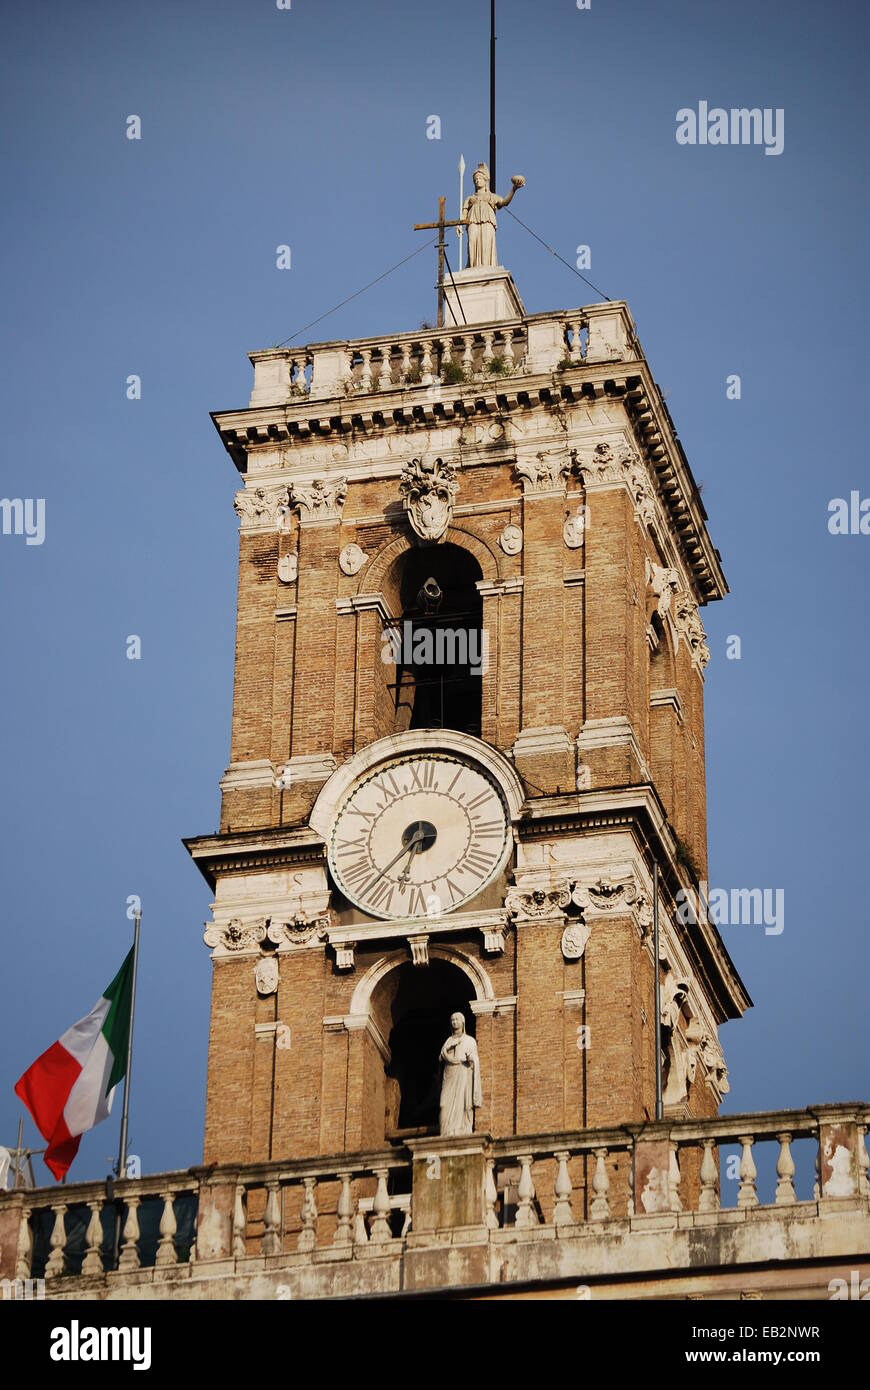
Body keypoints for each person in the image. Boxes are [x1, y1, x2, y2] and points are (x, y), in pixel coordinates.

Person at [462, 163, 525, 269]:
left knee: (485, 243)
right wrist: (459, 225)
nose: (477, 180)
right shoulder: (470, 198)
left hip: (488, 220)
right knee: (472, 241)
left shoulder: (491, 196)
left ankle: (486, 266)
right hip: (472, 220)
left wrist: (513, 189)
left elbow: (504, 202)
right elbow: (463, 214)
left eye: (480, 178)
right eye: (475, 179)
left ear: (485, 180)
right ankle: (473, 266)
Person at [438, 1011, 482, 1135]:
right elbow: (441, 1057)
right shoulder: (448, 1041)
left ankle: (462, 1129)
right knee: (443, 1104)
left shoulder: (469, 1040)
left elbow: (474, 1058)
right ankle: (445, 1131)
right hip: (450, 1075)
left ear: (463, 1022)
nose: (454, 1022)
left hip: (463, 1074)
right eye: (452, 1020)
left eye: (457, 1019)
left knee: (463, 1104)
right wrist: (447, 1050)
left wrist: (471, 1059)